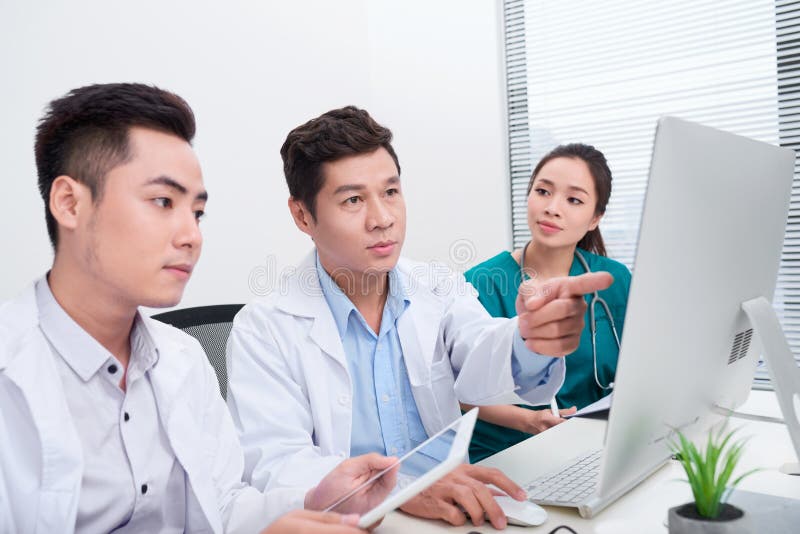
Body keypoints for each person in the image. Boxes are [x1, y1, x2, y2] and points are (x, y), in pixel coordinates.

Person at [0, 83, 397, 534]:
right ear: (70, 203)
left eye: (198, 212)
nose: (191, 235)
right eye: (163, 202)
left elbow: (223, 504)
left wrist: (312, 500)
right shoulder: (11, 373)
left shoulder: (182, 359)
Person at [226, 107, 614, 530]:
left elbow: (483, 354)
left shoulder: (436, 287)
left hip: (450, 520)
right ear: (303, 216)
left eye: (391, 192)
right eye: (353, 200)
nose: (383, 219)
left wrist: (530, 341)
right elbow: (276, 465)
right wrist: (402, 488)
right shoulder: (263, 329)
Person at [462, 143, 632, 462]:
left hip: (592, 447)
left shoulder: (614, 280)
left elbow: (638, 369)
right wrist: (528, 420)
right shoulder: (479, 283)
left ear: (595, 217)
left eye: (574, 200)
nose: (553, 208)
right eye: (543, 191)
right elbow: (455, 392)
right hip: (505, 452)